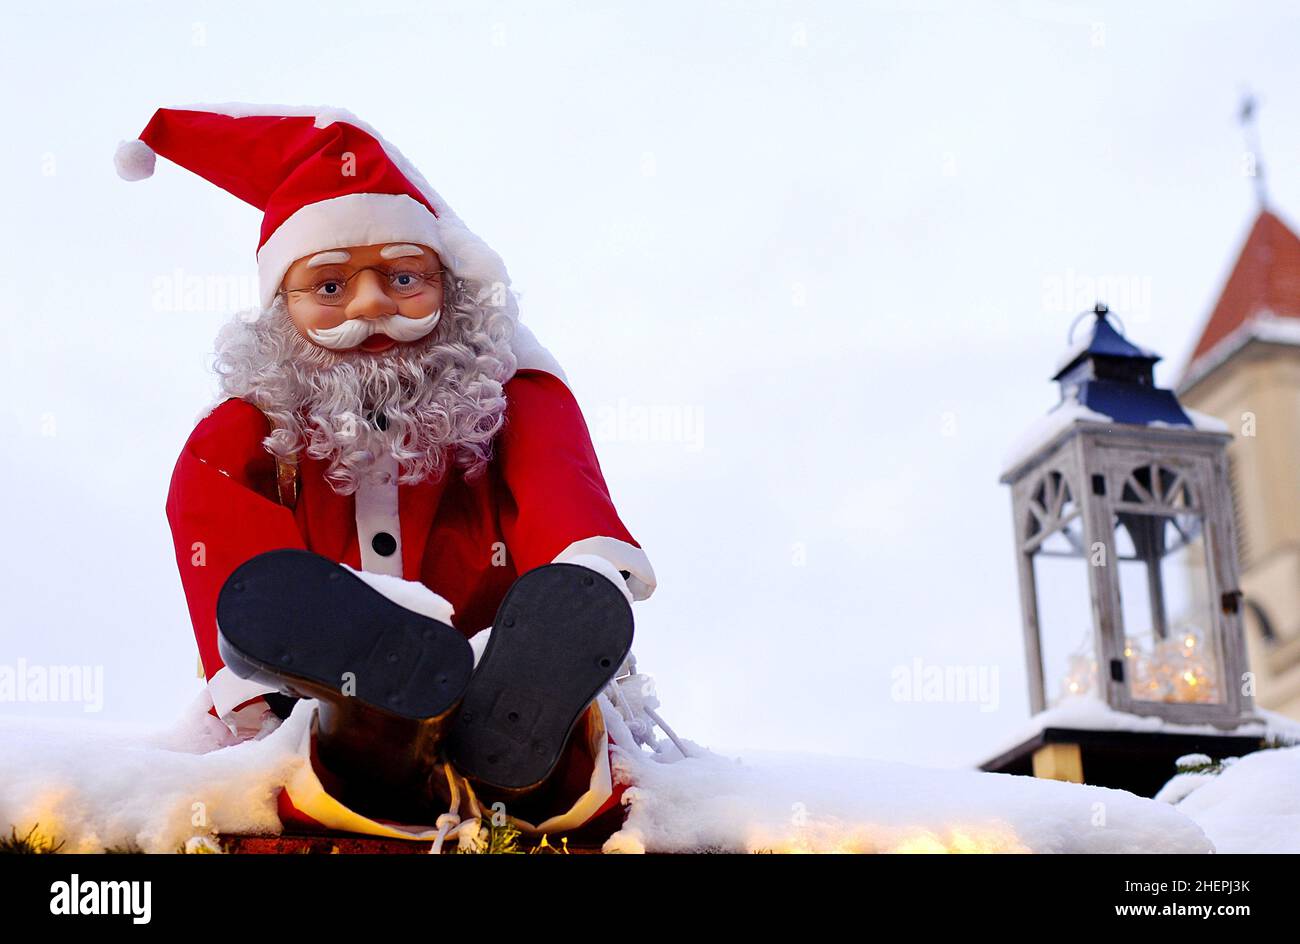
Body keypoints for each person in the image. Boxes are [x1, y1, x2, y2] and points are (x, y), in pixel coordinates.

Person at [115, 104, 657, 846]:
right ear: (282, 310)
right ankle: (339, 690)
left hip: (484, 649)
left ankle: (521, 710)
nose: (371, 304)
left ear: (451, 289)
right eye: (330, 288)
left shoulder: (507, 400)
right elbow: (212, 506)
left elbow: (558, 485)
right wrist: (253, 669)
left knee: (524, 736)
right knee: (331, 742)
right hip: (303, 702)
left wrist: (585, 574)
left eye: (404, 277)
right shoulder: (255, 426)